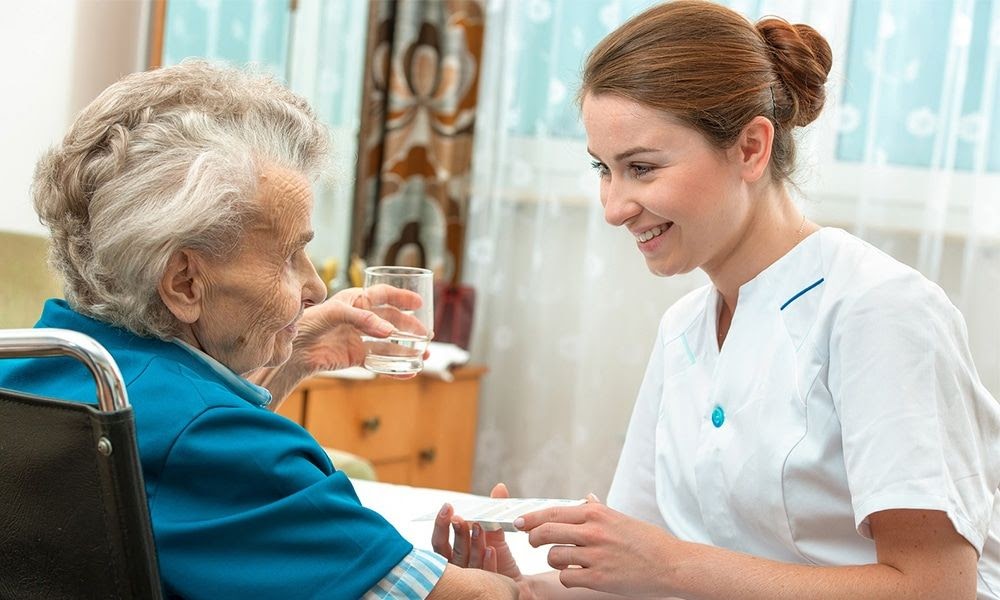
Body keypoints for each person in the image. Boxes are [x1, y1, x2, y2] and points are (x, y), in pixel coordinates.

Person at [433, 1, 1000, 598]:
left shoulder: (879, 311)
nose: (614, 207)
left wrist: (673, 566)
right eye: (604, 168)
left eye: (642, 168)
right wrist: (518, 591)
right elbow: (637, 572)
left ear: (752, 148)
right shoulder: (685, 329)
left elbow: (937, 587)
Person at [0, 60, 517, 599]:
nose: (316, 288)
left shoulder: (38, 367)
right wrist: (505, 585)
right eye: (290, 255)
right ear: (184, 282)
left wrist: (292, 357)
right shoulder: (215, 443)